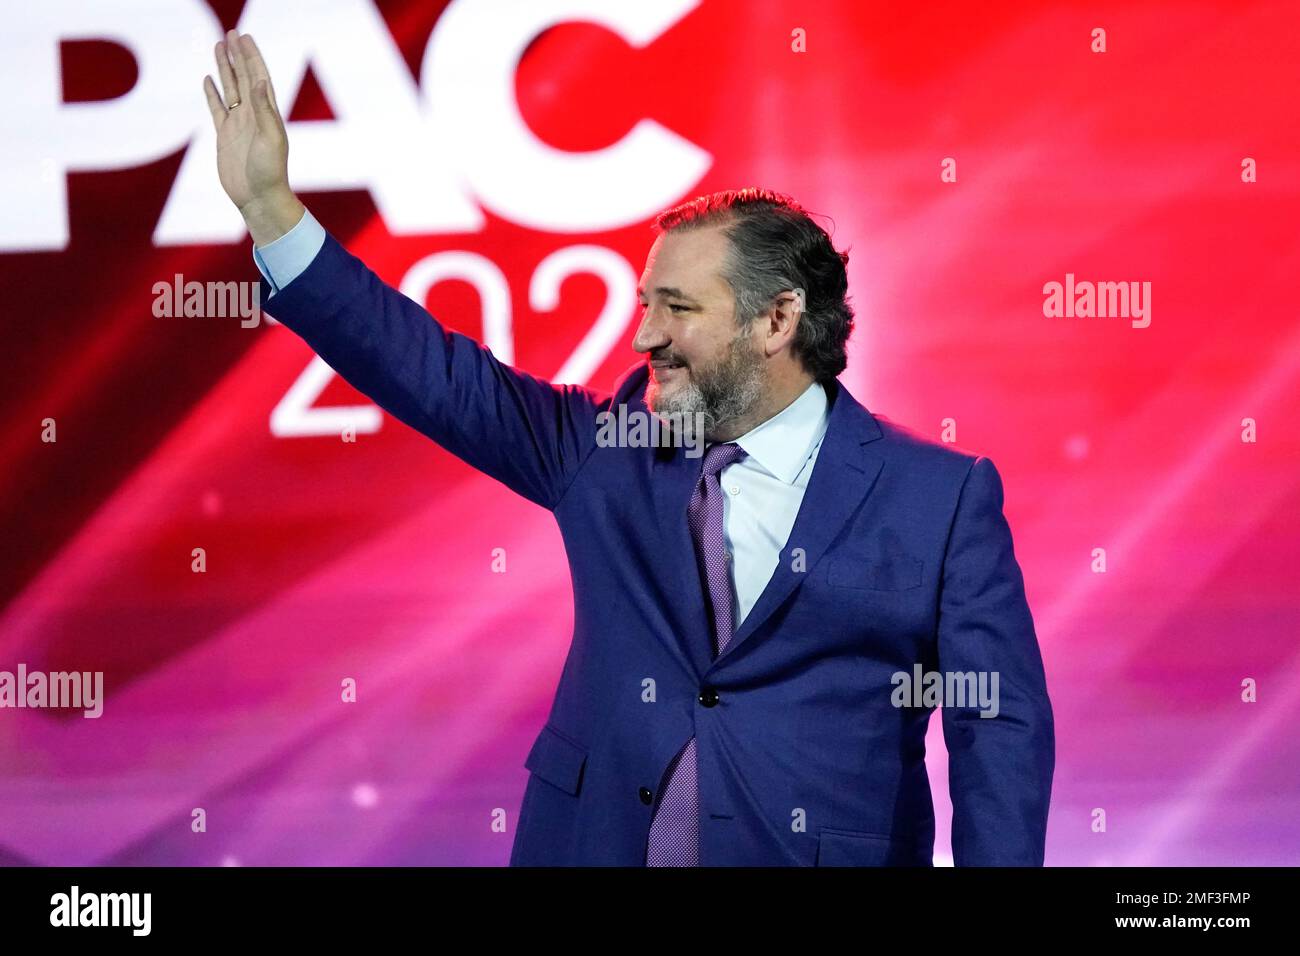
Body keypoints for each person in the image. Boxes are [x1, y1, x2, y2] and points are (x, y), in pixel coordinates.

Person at [203, 31, 1055, 866]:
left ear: (778, 320)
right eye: (645, 302)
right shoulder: (602, 450)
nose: (644, 333)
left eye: (677, 307)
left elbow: (1000, 730)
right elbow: (431, 374)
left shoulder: (938, 499)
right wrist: (275, 215)